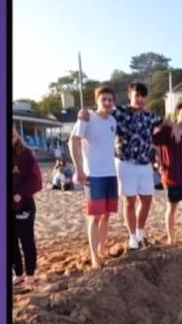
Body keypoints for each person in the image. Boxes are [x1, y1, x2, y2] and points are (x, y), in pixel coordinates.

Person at [78, 83, 162, 250]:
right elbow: (100, 110)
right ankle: (132, 237)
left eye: (143, 96)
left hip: (145, 163)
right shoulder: (119, 112)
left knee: (147, 199)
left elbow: (166, 123)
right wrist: (83, 112)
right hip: (125, 162)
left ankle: (140, 232)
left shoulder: (150, 117)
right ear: (130, 96)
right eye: (137, 96)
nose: (140, 99)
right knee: (129, 201)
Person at [69, 86, 118, 269]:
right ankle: (94, 256)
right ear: (96, 100)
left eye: (110, 99)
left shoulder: (112, 120)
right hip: (93, 175)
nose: (107, 102)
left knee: (106, 216)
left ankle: (101, 249)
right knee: (94, 216)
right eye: (103, 99)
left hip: (110, 173)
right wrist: (78, 169)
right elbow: (73, 141)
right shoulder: (87, 117)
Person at [152, 103, 182, 245]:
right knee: (172, 208)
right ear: (177, 115)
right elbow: (152, 140)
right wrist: (157, 161)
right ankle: (171, 238)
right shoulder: (167, 131)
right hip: (172, 176)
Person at [11, 129, 43, 286]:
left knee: (26, 240)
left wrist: (20, 194)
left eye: (13, 134)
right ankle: (18, 273)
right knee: (10, 241)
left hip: (23, 204)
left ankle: (30, 274)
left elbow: (35, 179)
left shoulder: (26, 154)